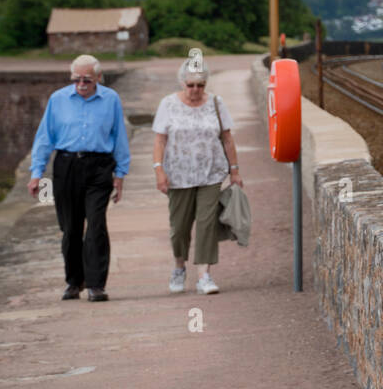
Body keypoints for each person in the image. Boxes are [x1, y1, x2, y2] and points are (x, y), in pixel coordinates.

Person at [28, 54, 131, 302]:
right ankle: (75, 281)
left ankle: (96, 285)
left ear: (98, 78)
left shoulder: (110, 99)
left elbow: (119, 137)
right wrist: (36, 173)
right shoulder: (58, 99)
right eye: (76, 79)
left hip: (99, 167)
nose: (81, 84)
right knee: (70, 229)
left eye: (86, 80)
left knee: (96, 225)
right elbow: (44, 138)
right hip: (67, 166)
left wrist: (120, 174)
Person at [152, 57, 243, 294]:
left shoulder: (216, 103)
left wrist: (235, 171)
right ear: (182, 82)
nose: (195, 90)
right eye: (190, 84)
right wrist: (158, 170)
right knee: (179, 228)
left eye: (200, 85)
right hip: (178, 175)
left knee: (207, 224)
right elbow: (160, 140)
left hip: (211, 174)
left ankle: (204, 275)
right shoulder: (168, 104)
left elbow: (227, 138)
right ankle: (179, 266)